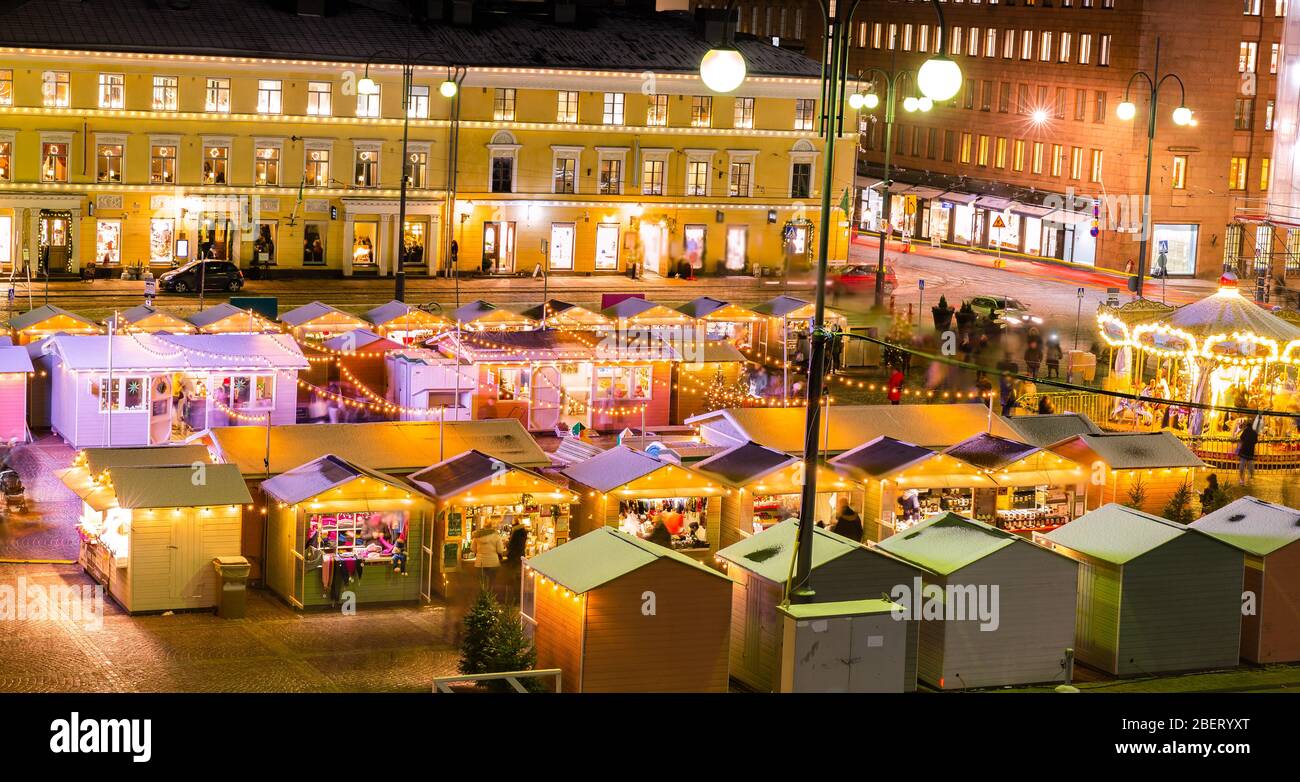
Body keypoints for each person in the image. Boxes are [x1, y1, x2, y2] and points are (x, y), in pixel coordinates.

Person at [471, 523, 505, 593]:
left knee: (482, 582)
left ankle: (483, 598)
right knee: (491, 582)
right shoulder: (496, 536)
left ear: (483, 527)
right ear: (492, 527)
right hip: (493, 562)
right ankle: (490, 598)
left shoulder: (477, 536)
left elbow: (473, 549)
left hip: (480, 563)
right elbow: (500, 550)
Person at [1237, 415, 1261, 485]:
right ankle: (1251, 477)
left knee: (1242, 464)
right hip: (1251, 450)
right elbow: (1256, 441)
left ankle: (1241, 479)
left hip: (1244, 449)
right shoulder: (1254, 433)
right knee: (1251, 465)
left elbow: (1241, 438)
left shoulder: (1246, 431)